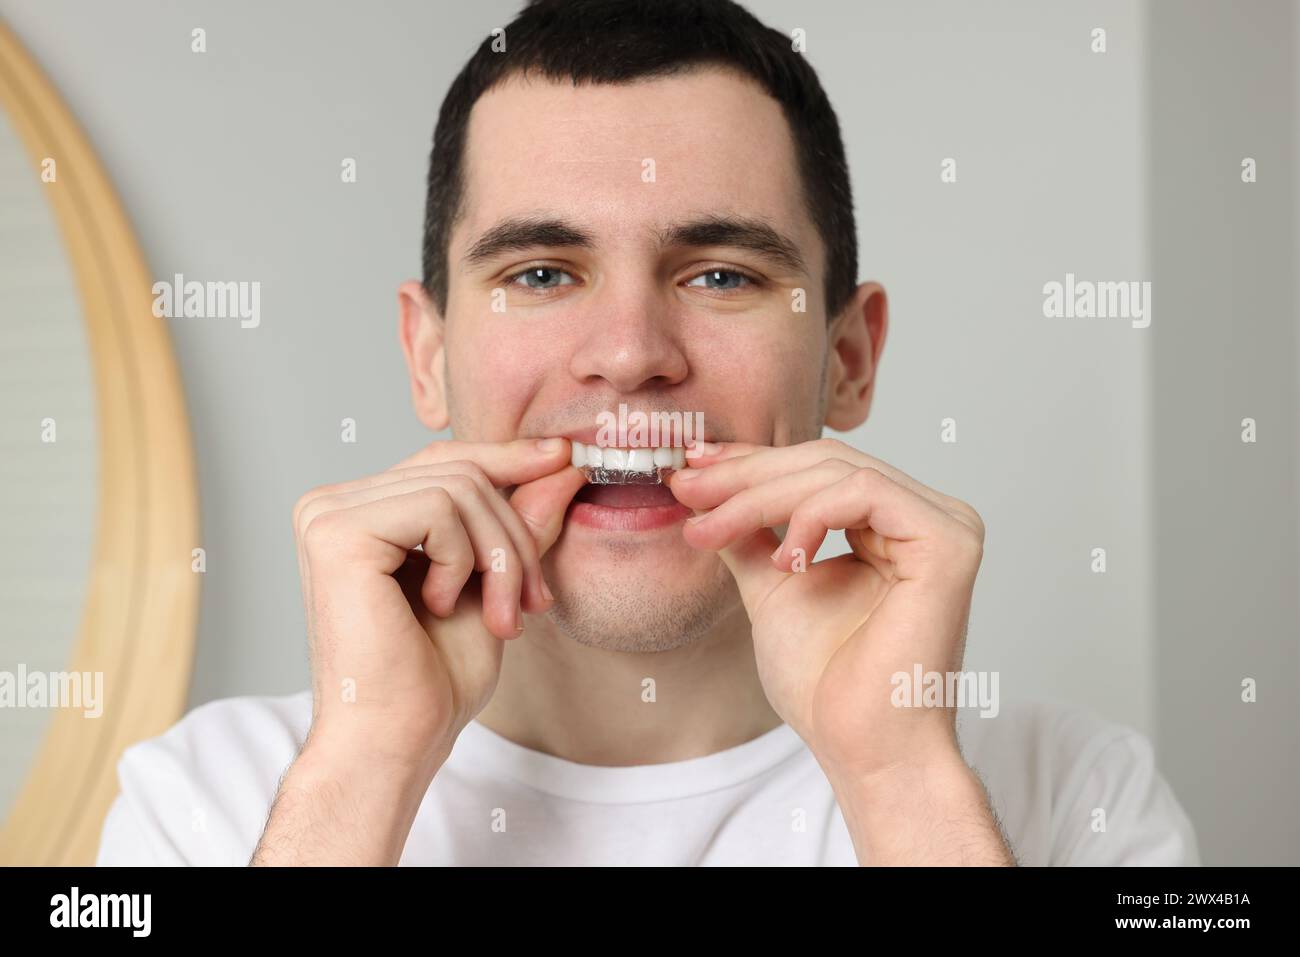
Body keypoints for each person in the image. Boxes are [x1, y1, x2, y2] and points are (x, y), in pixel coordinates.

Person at [97, 0, 1197, 866]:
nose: (629, 351)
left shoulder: (1076, 798)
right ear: (427, 355)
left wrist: (899, 778)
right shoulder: (205, 799)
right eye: (540, 272)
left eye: (720, 273)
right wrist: (366, 769)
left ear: (849, 357)